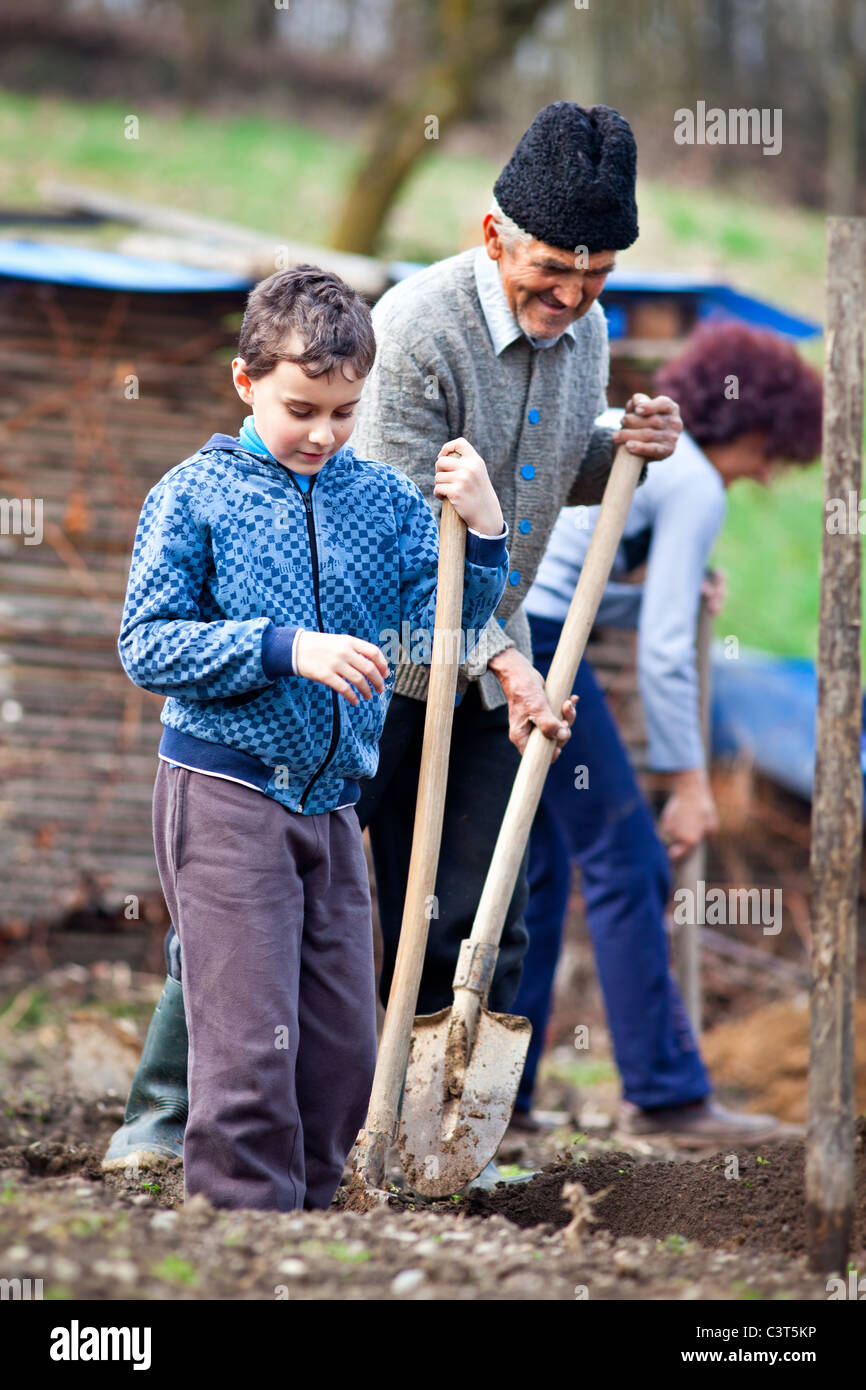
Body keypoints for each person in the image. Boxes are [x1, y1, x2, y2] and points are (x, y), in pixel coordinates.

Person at [104, 99, 684, 1176]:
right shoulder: (416, 330)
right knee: (249, 919)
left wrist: (619, 444)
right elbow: (392, 525)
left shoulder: (584, 331)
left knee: (474, 908)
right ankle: (160, 1116)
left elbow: (538, 470)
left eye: (593, 278)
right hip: (371, 668)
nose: (568, 297)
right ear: (491, 236)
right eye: (549, 271)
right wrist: (495, 650)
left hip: (475, 650)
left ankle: (420, 1138)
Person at [113, 264, 511, 1211]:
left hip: (333, 805)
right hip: (224, 793)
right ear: (247, 383)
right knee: (250, 1049)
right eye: (302, 409)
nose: (324, 433)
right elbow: (147, 645)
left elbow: (445, 626)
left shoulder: (379, 499)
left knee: (339, 1051)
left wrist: (486, 532)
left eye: (344, 410)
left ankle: (320, 1228)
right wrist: (288, 648)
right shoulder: (193, 496)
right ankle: (245, 1235)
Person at [512, 321, 823, 1141]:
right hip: (547, 655)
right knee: (627, 858)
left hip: (512, 638)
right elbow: (660, 653)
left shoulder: (657, 463)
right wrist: (688, 783)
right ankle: (664, 1093)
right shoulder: (693, 481)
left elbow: (577, 588)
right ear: (751, 424)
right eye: (770, 454)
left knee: (538, 874)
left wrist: (673, 599)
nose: (764, 474)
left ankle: (501, 1102)